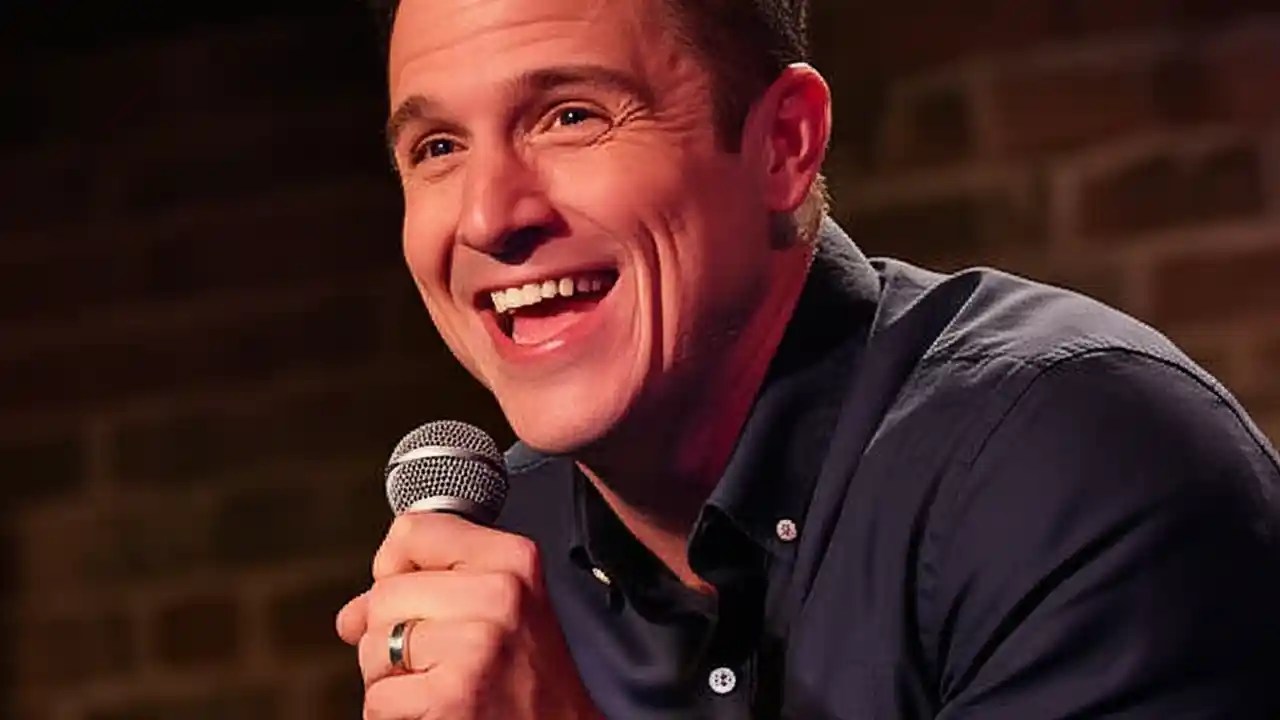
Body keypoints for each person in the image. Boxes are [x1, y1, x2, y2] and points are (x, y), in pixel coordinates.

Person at [334, 0, 1280, 717]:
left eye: (572, 116)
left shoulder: (1078, 468)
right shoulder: (506, 551)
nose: (492, 216)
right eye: (439, 147)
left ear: (783, 143)